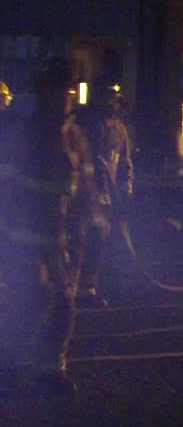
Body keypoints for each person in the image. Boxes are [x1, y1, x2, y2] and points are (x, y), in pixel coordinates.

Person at [0, 59, 82, 393]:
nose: (62, 100)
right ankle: (8, 365)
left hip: (56, 240)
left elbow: (77, 189)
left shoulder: (72, 136)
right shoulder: (25, 135)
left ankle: (50, 371)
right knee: (31, 300)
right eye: (56, 93)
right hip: (23, 240)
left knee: (62, 304)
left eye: (66, 93)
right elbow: (8, 188)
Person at [64, 82, 134, 307]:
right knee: (77, 239)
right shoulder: (82, 124)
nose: (113, 103)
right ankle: (70, 289)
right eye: (109, 98)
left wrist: (125, 189)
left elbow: (124, 162)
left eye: (115, 99)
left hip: (106, 194)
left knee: (99, 238)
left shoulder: (118, 129)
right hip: (84, 192)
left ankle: (88, 288)